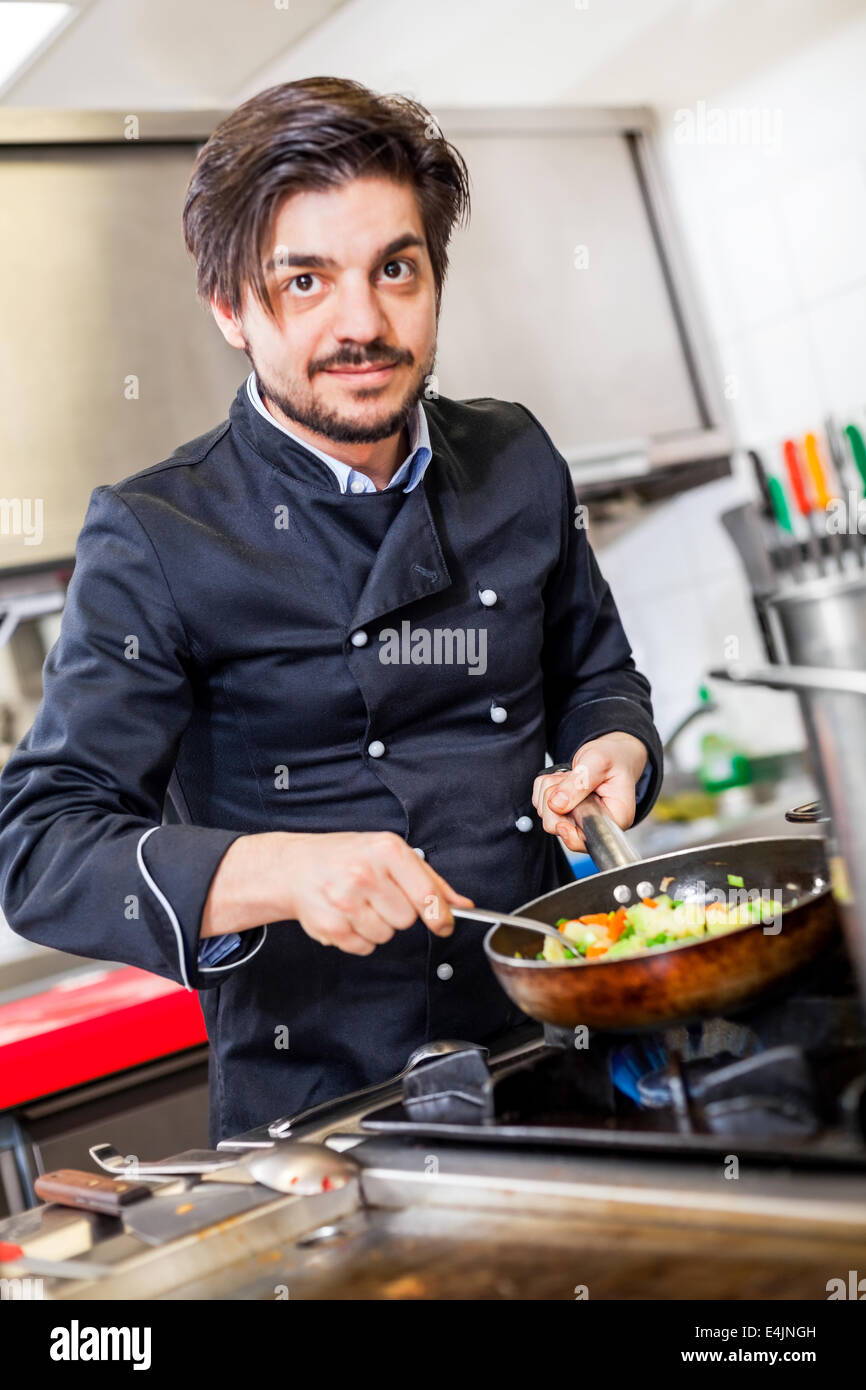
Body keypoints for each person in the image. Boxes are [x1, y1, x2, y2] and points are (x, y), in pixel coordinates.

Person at [0, 77, 662, 1143]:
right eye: (303, 281)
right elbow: (38, 849)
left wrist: (613, 750)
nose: (362, 323)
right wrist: (274, 869)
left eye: (393, 269)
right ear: (230, 309)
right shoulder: (160, 535)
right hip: (330, 1121)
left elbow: (596, 678)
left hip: (561, 1060)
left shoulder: (513, 457)